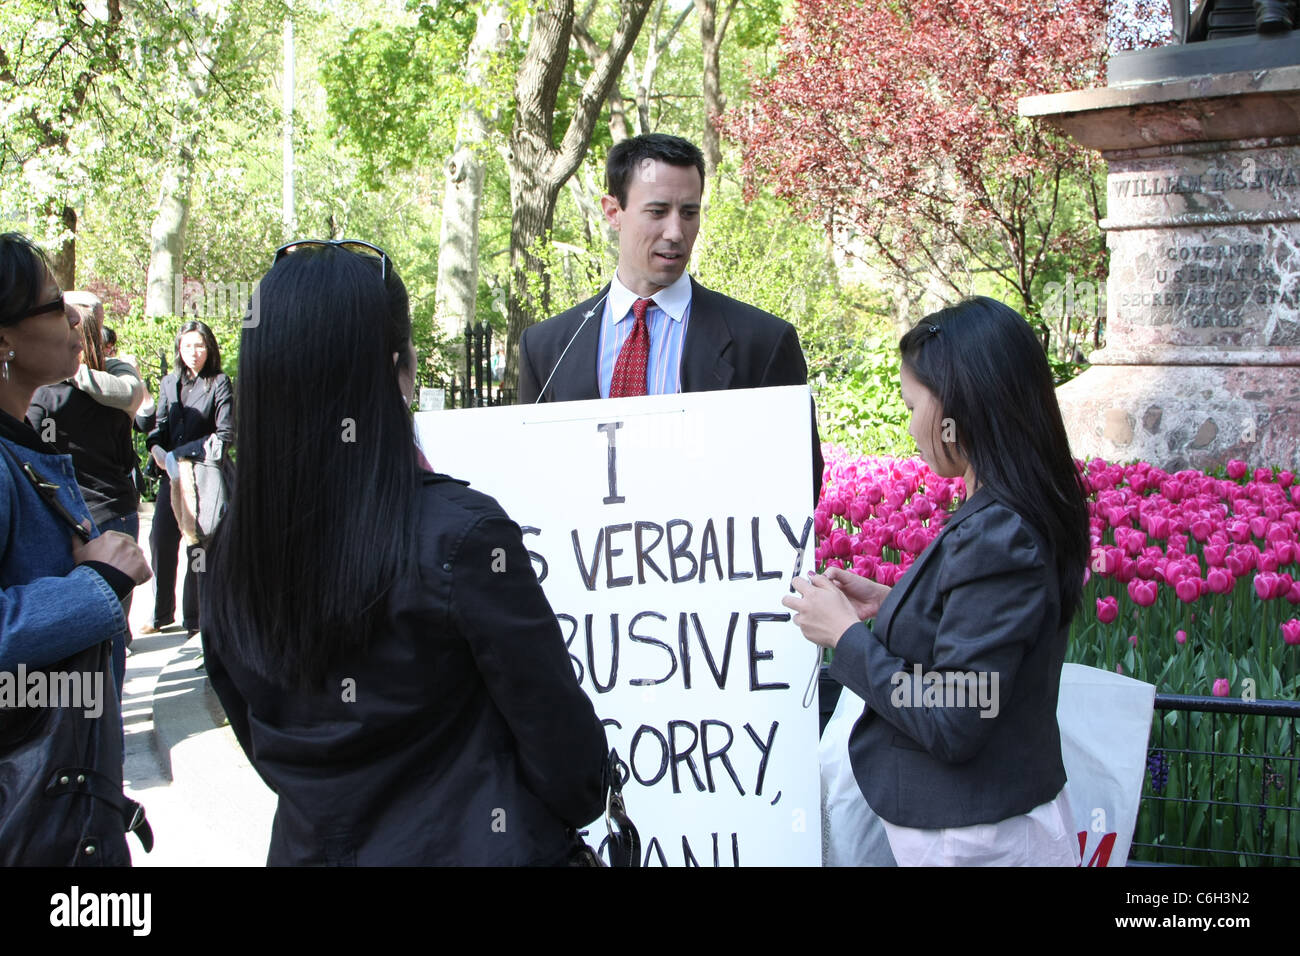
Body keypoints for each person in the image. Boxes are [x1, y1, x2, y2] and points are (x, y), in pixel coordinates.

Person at [201, 240, 608, 865]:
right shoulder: (459, 537)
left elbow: (261, 736)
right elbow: (571, 766)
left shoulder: (230, 552)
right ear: (399, 367)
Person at [784, 296, 1089, 866]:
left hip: (977, 841)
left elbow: (958, 711)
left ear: (958, 408)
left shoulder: (1001, 532)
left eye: (911, 406)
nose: (909, 425)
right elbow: (982, 638)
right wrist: (891, 603)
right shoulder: (1010, 507)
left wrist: (846, 639)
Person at [517, 133, 824, 503]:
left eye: (689, 213)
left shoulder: (762, 343)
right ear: (614, 212)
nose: (676, 232)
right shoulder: (546, 348)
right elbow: (534, 478)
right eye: (658, 211)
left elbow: (795, 481)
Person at [0, 233, 152, 865]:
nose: (72, 317)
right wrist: (95, 587)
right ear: (4, 338)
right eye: (52, 302)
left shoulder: (24, 447)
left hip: (61, 811)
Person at [27, 292, 146, 682]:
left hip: (75, 519)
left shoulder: (46, 394)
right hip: (118, 512)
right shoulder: (118, 387)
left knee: (90, 630)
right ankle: (108, 720)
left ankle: (100, 720)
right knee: (113, 626)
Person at [141, 319, 233, 636]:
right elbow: (157, 430)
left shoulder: (219, 382)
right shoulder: (170, 383)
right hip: (172, 474)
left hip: (203, 475)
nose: (193, 352)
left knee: (198, 546)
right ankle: (160, 613)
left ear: (209, 348)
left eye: (200, 345)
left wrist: (181, 453)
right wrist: (156, 450)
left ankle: (195, 620)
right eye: (187, 346)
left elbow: (225, 433)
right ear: (179, 348)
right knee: (161, 538)